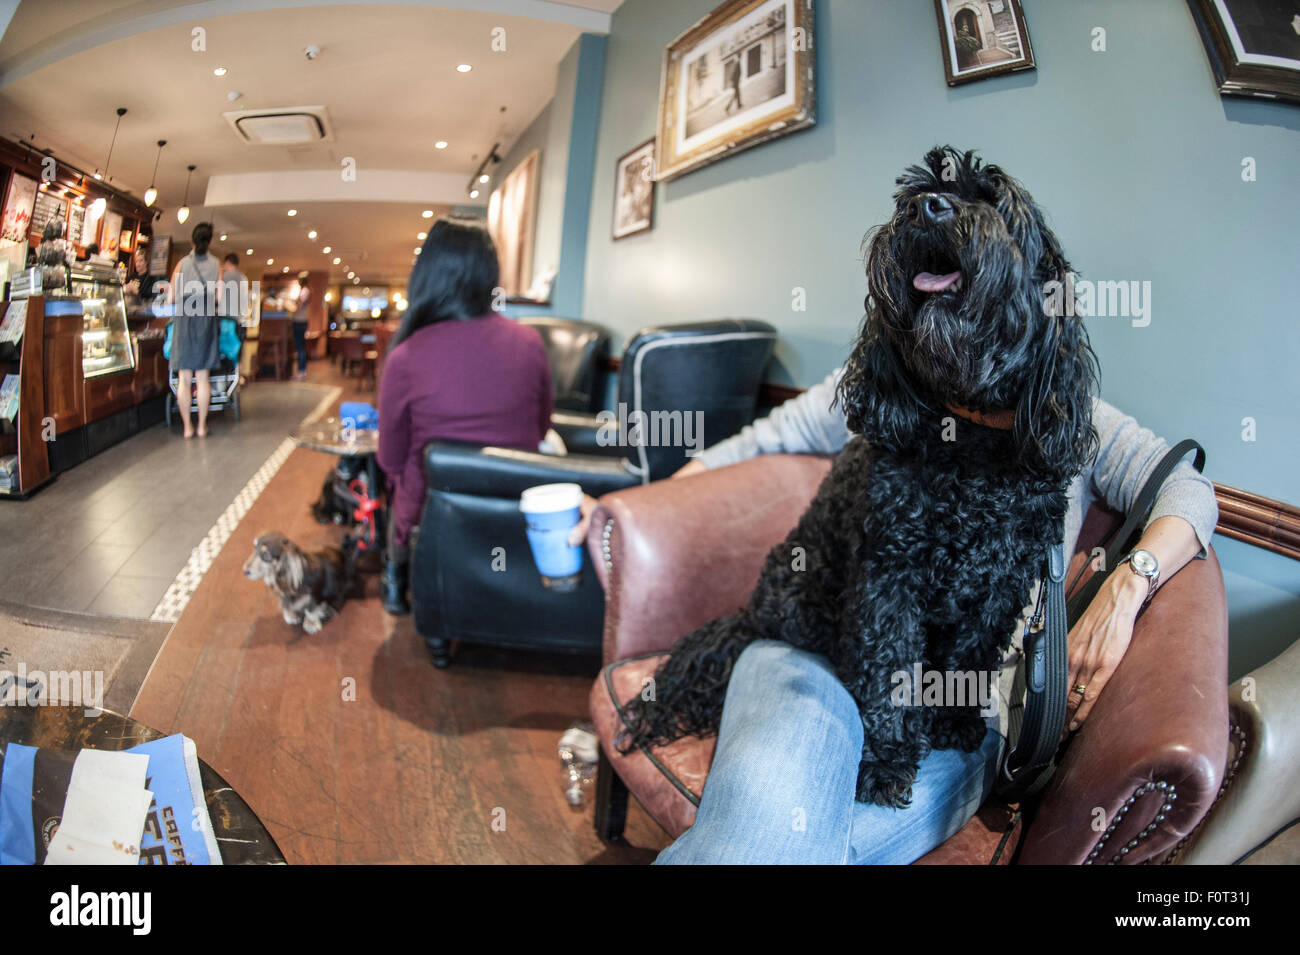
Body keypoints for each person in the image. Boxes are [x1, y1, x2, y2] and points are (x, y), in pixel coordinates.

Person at [569, 367, 1218, 864]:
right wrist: (620, 504)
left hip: (957, 704)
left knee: (772, 845)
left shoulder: (1064, 413)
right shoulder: (879, 384)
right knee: (771, 823)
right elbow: (765, 437)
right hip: (811, 652)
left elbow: (1187, 487)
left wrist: (1127, 586)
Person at [377, 218, 553, 615]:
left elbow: (389, 458)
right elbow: (542, 429)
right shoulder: (529, 342)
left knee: (397, 479)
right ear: (489, 274)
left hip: (434, 515)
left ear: (426, 275)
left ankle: (394, 578)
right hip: (516, 510)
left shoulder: (404, 356)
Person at [167, 222, 221, 439]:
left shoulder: (181, 264)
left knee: (184, 378)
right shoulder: (217, 264)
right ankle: (201, 427)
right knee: (202, 378)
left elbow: (170, 297)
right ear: (210, 242)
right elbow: (219, 297)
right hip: (205, 321)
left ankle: (188, 428)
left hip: (184, 321)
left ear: (192, 240)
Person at [291, 270, 311, 380]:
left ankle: (301, 371)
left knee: (300, 347)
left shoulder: (304, 291)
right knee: (300, 347)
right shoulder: (305, 291)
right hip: (302, 321)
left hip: (300, 321)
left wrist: (292, 310)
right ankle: (301, 371)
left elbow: (298, 307)